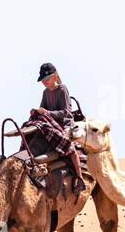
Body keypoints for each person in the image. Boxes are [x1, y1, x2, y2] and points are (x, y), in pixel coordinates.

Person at [30, 62, 86, 193]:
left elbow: (67, 112)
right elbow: (43, 109)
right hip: (51, 124)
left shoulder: (62, 89)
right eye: (42, 80)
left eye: (46, 79)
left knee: (69, 146)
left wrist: (48, 113)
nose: (44, 82)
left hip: (65, 123)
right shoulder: (45, 92)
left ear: (55, 77)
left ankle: (80, 178)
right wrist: (37, 112)